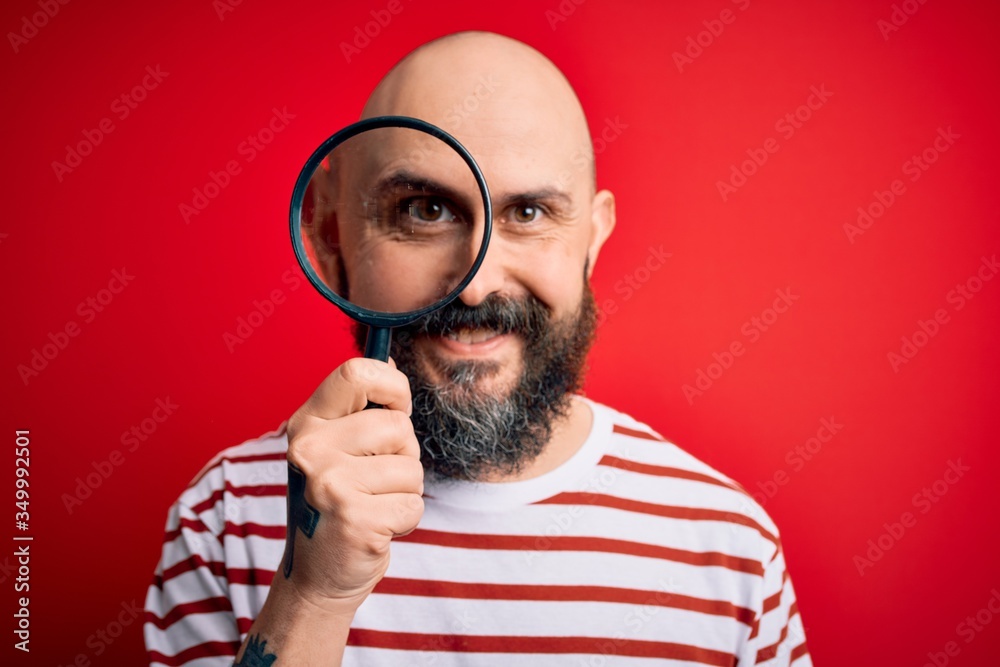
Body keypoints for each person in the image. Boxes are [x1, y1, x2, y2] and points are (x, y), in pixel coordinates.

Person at [144, 31, 811, 667]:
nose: (477, 283)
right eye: (425, 210)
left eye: (528, 214)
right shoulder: (225, 517)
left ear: (592, 240)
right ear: (328, 228)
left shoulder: (728, 550)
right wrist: (313, 596)